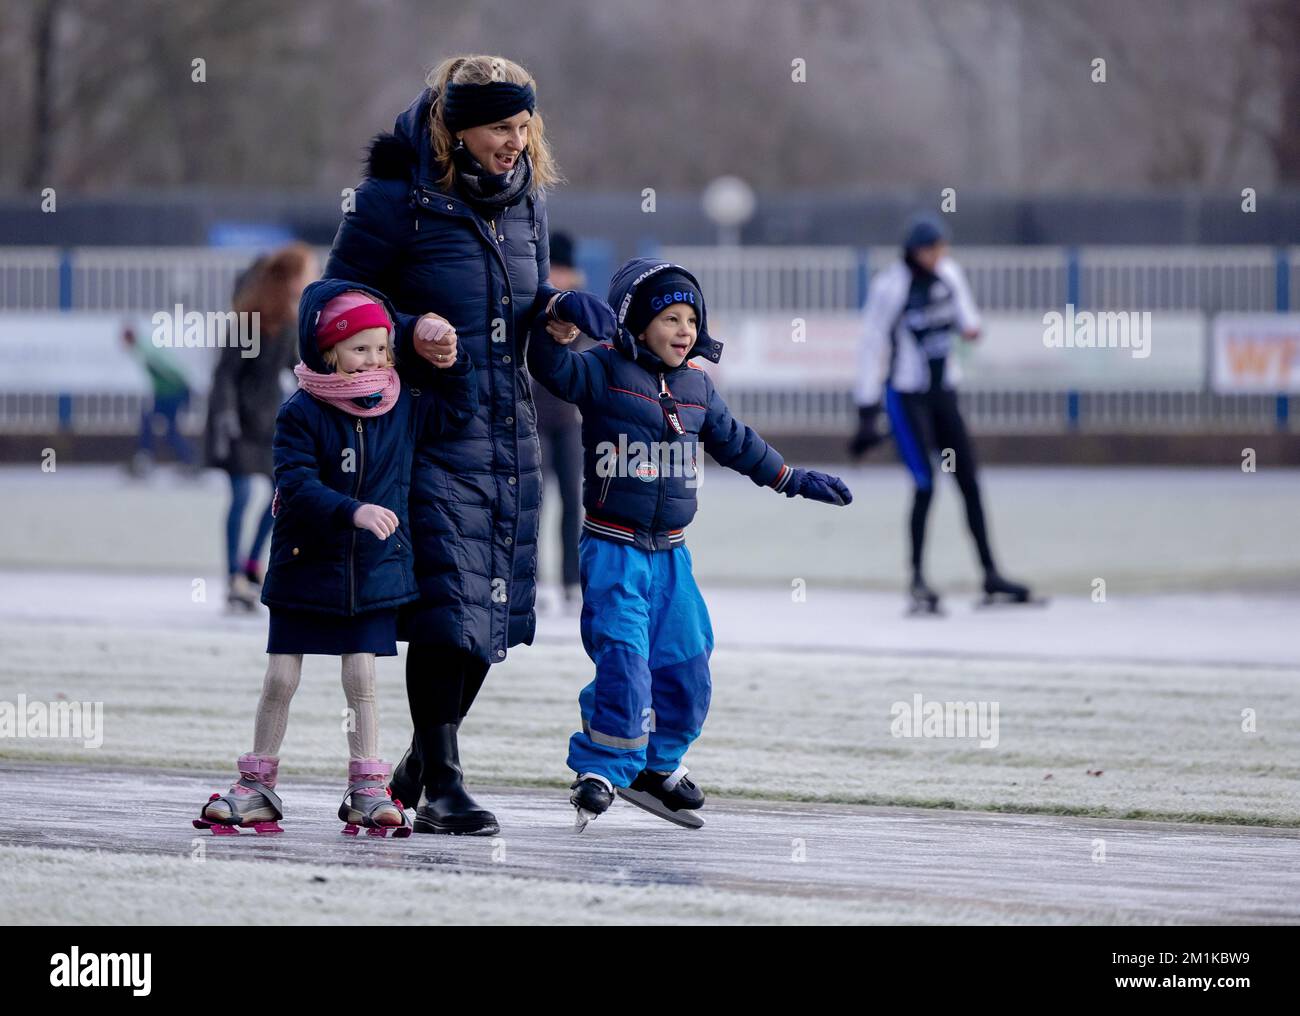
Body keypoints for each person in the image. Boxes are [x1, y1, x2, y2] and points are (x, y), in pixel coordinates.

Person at [321, 54, 615, 835]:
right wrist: (408, 329)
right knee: (449, 609)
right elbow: (334, 295)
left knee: (491, 621)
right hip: (428, 429)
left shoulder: (527, 203)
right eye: (499, 127)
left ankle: (416, 767)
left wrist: (556, 308)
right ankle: (446, 781)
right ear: (456, 129)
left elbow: (519, 302)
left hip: (508, 431)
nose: (515, 141)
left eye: (524, 126)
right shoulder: (394, 199)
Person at [528, 258, 853, 830]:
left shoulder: (698, 387)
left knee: (687, 664)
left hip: (672, 555)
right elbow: (549, 365)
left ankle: (658, 764)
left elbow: (738, 443)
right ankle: (603, 765)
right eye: (670, 318)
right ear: (637, 323)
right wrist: (556, 314)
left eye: (691, 320)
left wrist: (792, 479)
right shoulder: (603, 371)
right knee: (625, 661)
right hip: (614, 549)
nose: (684, 331)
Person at [193, 280, 476, 837]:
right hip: (305, 563)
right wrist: (354, 511)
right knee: (280, 676)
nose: (374, 358)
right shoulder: (301, 410)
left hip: (373, 571)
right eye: (360, 348)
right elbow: (294, 483)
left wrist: (455, 357)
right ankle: (257, 785)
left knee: (361, 677)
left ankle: (369, 789)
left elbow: (458, 410)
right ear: (329, 352)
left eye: (382, 347)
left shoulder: (402, 404)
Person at [850, 213, 1032, 614]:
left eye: (940, 248)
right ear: (913, 252)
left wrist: (970, 329)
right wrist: (866, 409)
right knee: (925, 483)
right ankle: (917, 581)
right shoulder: (891, 286)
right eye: (929, 250)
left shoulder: (949, 274)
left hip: (943, 393)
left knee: (968, 480)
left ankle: (991, 574)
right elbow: (870, 343)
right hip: (906, 396)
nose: (937, 256)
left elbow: (970, 322)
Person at [205, 243, 318, 612]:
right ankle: (234, 576)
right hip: (237, 424)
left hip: (267, 424)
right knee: (239, 496)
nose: (312, 279)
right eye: (306, 272)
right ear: (288, 279)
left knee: (281, 496)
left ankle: (253, 565)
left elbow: (297, 369)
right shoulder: (248, 322)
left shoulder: (288, 325)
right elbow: (225, 375)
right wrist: (225, 417)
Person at [530, 231, 590, 614]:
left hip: (568, 421)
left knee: (574, 501)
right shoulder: (530, 307)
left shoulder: (581, 314)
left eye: (564, 270)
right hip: (533, 419)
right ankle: (531, 581)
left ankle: (572, 581)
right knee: (533, 502)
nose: (559, 276)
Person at [121, 325, 196, 474]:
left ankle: (147, 459)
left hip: (170, 395)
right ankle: (188, 460)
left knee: (156, 424)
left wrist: (185, 388)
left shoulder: (145, 351)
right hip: (167, 394)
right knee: (166, 428)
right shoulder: (144, 348)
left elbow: (168, 369)